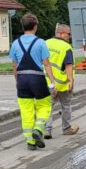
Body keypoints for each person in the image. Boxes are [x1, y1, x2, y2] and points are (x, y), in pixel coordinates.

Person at [9, 13, 56, 150]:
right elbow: (46, 64)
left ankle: (30, 141)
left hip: (22, 79)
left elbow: (14, 65)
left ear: (23, 26)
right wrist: (52, 83)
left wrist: (17, 80)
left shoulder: (15, 43)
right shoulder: (40, 43)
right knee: (44, 106)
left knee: (26, 111)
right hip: (37, 78)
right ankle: (38, 128)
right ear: (35, 26)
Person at [44, 23, 79, 138]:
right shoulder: (66, 47)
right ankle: (66, 128)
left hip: (47, 83)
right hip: (62, 84)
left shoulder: (46, 43)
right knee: (66, 106)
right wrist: (71, 81)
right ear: (61, 33)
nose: (69, 36)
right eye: (68, 34)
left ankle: (47, 130)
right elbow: (68, 65)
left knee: (47, 107)